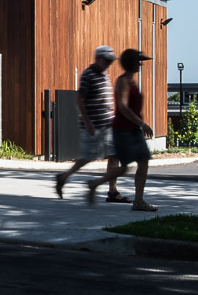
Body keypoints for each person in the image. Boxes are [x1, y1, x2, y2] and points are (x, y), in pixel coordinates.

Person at [55, 45, 121, 202]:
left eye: (110, 61)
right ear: (98, 59)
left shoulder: (104, 75)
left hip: (108, 123)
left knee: (114, 156)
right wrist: (87, 122)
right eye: (106, 60)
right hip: (94, 125)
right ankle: (63, 177)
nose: (108, 64)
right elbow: (79, 100)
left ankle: (112, 192)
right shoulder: (88, 75)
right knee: (88, 157)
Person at [107, 48, 157, 211]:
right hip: (124, 129)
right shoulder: (123, 81)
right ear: (131, 63)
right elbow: (122, 106)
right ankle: (95, 184)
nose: (140, 64)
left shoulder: (132, 81)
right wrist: (141, 123)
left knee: (143, 161)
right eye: (138, 61)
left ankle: (139, 201)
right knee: (125, 166)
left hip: (132, 129)